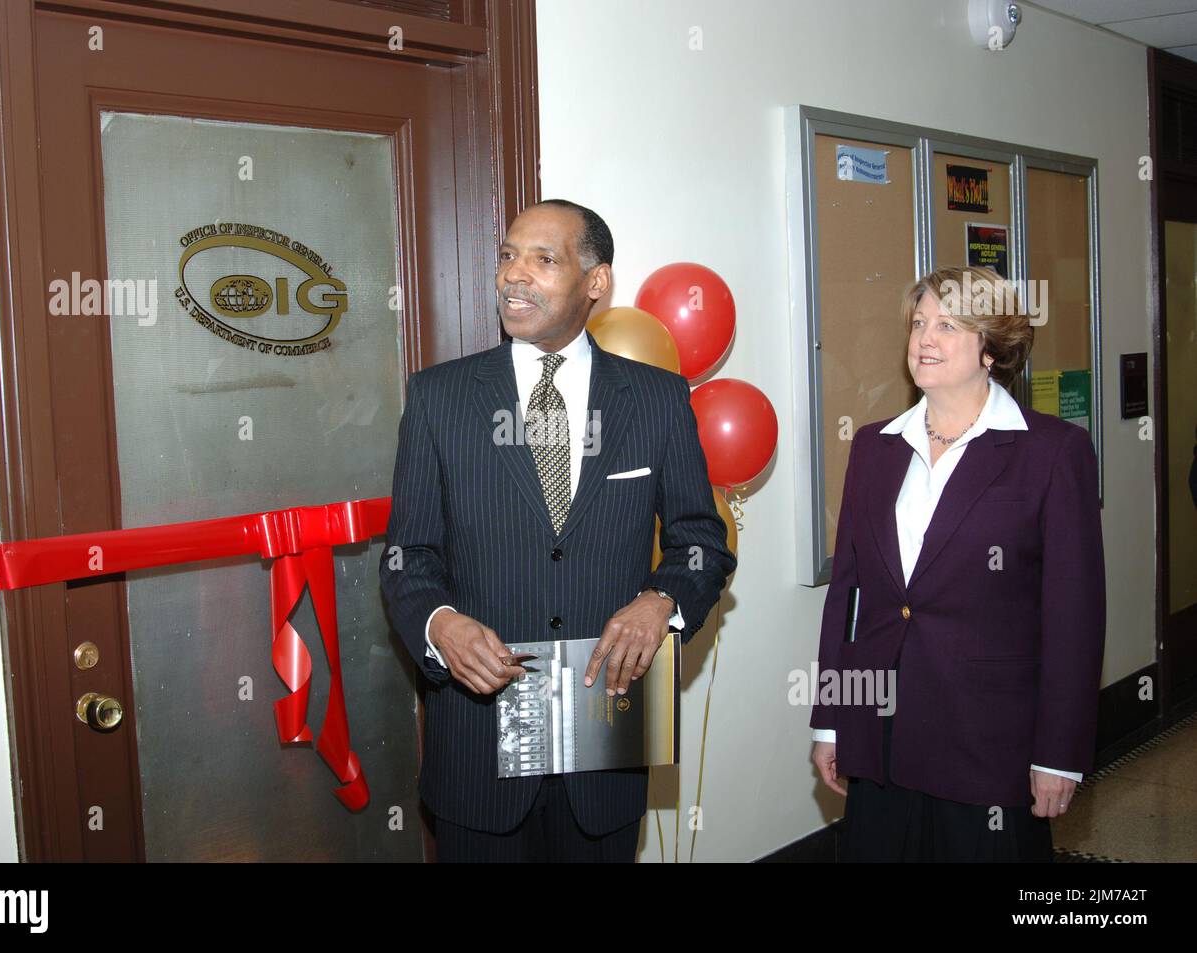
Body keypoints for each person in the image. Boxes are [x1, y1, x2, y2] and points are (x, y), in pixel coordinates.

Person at [380, 199, 735, 862]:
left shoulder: (657, 399)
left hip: (603, 742)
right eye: (508, 256)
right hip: (478, 750)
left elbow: (700, 542)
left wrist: (663, 601)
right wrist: (439, 624)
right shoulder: (438, 397)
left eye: (543, 260)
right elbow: (407, 557)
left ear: (595, 282)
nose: (516, 275)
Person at [809, 264, 1106, 862]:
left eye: (947, 325)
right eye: (919, 323)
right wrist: (831, 720)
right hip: (883, 735)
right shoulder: (875, 445)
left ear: (992, 347)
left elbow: (1074, 617)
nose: (924, 339)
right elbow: (849, 596)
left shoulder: (1050, 452)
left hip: (990, 747)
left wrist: (1058, 754)